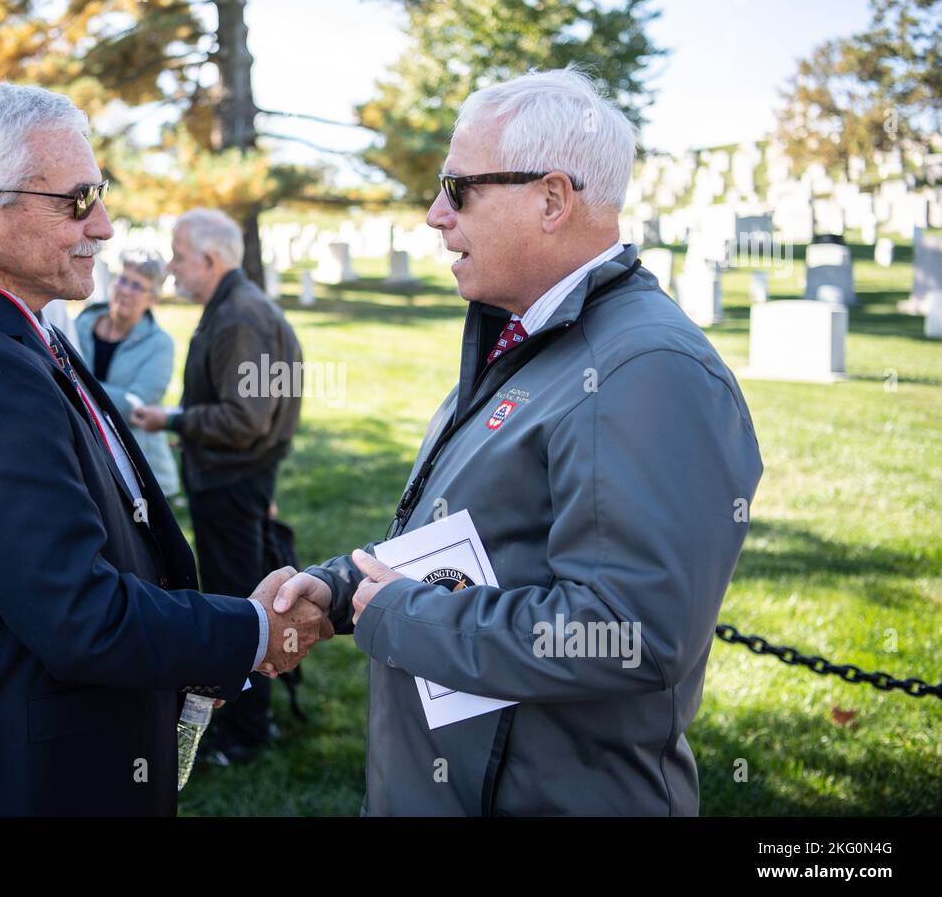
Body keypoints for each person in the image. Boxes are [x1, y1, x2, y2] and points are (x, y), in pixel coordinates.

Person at [271, 67, 765, 816]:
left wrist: (399, 618)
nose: (436, 214)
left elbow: (628, 632)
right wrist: (346, 590)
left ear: (552, 199)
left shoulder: (646, 370)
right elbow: (479, 538)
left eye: (458, 187)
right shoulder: (531, 337)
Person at [0, 82, 330, 816]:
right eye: (77, 202)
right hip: (23, 781)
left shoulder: (22, 327)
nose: (104, 226)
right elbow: (81, 615)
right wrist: (253, 628)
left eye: (99, 196)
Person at [132, 209, 303, 764]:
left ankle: (244, 733)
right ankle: (250, 723)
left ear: (210, 260)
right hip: (238, 481)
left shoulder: (239, 316)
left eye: (179, 257)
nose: (173, 268)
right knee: (242, 598)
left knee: (242, 607)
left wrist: (175, 421)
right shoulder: (237, 306)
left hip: (233, 485)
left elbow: (246, 419)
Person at [74, 254, 180, 498]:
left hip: (140, 471)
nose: (125, 291)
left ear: (153, 299)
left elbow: (136, 405)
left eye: (137, 286)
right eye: (123, 280)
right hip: (87, 461)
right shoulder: (81, 324)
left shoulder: (160, 344)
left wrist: (75, 384)